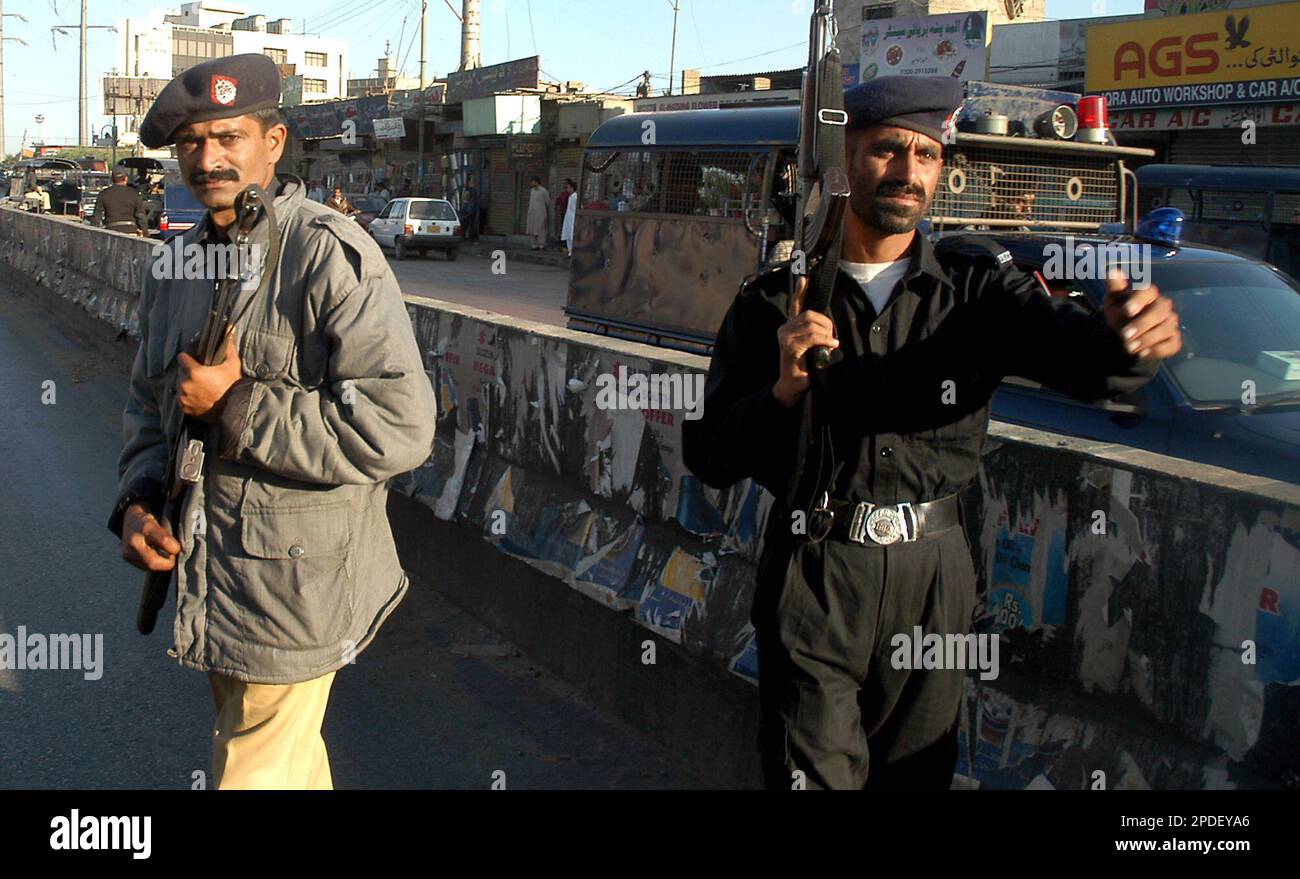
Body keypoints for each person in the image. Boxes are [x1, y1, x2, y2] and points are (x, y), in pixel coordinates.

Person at [681, 76, 1182, 791]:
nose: (908, 171)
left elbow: (1083, 362)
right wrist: (782, 391)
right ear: (849, 157)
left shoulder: (976, 289)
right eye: (889, 150)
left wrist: (1129, 341)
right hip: (818, 573)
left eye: (927, 155)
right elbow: (711, 456)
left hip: (935, 578)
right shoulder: (772, 301)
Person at [108, 53, 437, 790]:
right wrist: (136, 500)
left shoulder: (326, 255)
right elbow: (147, 407)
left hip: (295, 592)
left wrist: (240, 405)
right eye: (192, 143)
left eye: (229, 137)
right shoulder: (175, 268)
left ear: (274, 143)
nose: (210, 158)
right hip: (208, 579)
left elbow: (403, 424)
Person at [92, 167, 150, 236]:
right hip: (131, 232)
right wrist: (145, 232)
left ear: (112, 179)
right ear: (126, 178)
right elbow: (141, 216)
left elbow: (97, 217)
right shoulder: (134, 193)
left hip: (111, 231)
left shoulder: (104, 194)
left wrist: (93, 234)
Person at [526, 175, 550, 250]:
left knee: (541, 229)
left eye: (533, 182)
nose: (532, 183)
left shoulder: (543, 190)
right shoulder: (532, 190)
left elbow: (548, 202)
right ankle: (534, 245)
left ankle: (541, 245)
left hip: (541, 213)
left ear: (537, 182)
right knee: (532, 228)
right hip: (532, 213)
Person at [561, 178, 578, 256]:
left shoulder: (575, 196)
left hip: (573, 217)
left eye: (568, 187)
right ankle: (569, 252)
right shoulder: (570, 196)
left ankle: (572, 252)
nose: (567, 189)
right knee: (567, 235)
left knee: (571, 234)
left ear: (572, 188)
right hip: (568, 217)